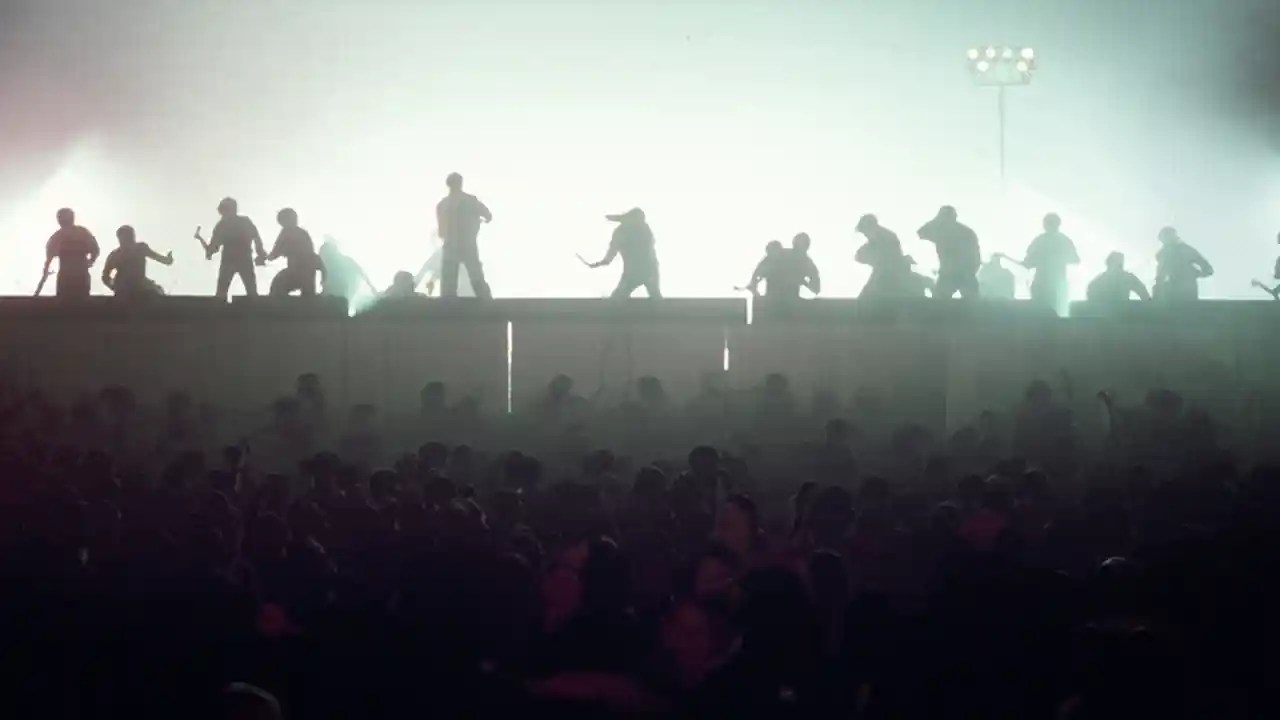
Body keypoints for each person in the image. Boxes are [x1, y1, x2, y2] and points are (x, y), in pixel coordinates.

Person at [435, 172, 493, 299]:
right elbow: (487, 215)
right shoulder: (470, 200)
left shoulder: (442, 205)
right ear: (460, 183)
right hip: (467, 244)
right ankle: (486, 302)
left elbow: (441, 232)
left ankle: (448, 305)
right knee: (476, 276)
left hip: (451, 245)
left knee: (449, 282)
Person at [587, 208, 662, 298]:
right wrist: (600, 263)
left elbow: (611, 254)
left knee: (619, 297)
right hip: (641, 270)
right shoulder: (640, 229)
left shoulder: (633, 230)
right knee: (654, 295)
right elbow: (611, 253)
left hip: (639, 271)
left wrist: (600, 263)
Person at [207, 197, 266, 301]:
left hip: (239, 259)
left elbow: (256, 237)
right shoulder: (224, 225)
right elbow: (215, 246)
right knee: (223, 291)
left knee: (249, 289)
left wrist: (210, 251)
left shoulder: (224, 225)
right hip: (234, 260)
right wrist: (260, 253)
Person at [1022, 213, 1080, 316]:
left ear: (1044, 225)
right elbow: (1075, 259)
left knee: (1039, 316)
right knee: (1058, 316)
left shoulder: (1039, 241)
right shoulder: (1064, 240)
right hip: (1058, 286)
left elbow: (1028, 263)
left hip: (1042, 284)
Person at [917, 205, 981, 299]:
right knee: (974, 304)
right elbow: (976, 255)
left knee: (939, 303)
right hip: (961, 273)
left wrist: (936, 221)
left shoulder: (941, 231)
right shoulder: (966, 232)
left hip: (952, 273)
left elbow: (921, 232)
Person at [101, 225, 174, 299]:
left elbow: (159, 258)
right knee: (155, 291)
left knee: (157, 290)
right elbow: (105, 276)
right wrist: (114, 286)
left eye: (130, 237)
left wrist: (168, 260)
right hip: (125, 288)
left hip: (139, 285)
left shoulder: (140, 248)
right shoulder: (116, 255)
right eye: (126, 238)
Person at [41, 207, 100, 298]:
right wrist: (46, 269)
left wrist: (91, 261)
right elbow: (49, 255)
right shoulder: (58, 236)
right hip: (68, 276)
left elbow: (95, 249)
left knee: (78, 303)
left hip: (79, 276)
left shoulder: (81, 233)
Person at [264, 208, 324, 297]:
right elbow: (276, 252)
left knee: (278, 286)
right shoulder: (302, 233)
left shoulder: (287, 233)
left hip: (298, 271)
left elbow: (276, 252)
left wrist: (267, 257)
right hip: (306, 271)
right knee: (308, 296)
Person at [854, 214, 912, 299]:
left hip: (888, 279)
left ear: (869, 227)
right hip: (887, 276)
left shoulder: (882, 238)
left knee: (864, 300)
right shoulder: (882, 237)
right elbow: (859, 256)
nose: (865, 235)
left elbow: (885, 261)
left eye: (864, 231)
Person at [1153, 226, 1212, 301]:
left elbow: (1209, 270)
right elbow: (1160, 276)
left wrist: (1193, 273)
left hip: (1188, 293)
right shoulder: (1162, 254)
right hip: (1172, 295)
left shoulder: (1187, 251)